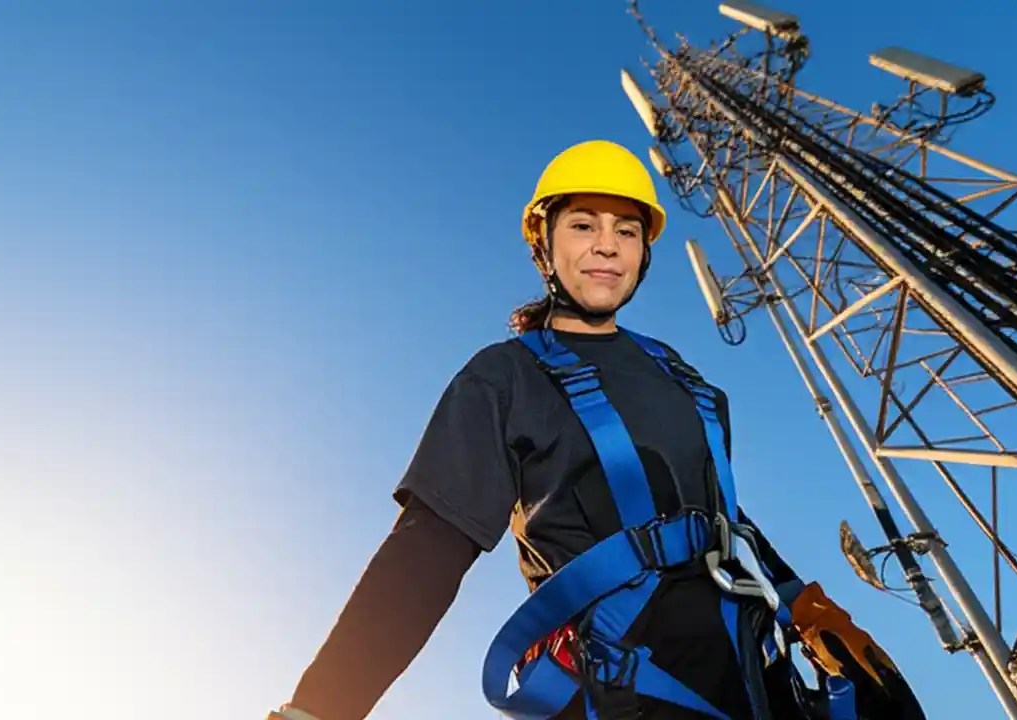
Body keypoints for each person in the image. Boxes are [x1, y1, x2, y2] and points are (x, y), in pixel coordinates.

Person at [267, 140, 925, 720]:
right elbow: (427, 551)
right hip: (624, 688)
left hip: (754, 676)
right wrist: (321, 708)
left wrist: (811, 611)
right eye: (583, 224)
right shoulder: (505, 378)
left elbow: (720, 522)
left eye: (627, 230)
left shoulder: (683, 377)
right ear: (543, 243)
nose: (607, 244)